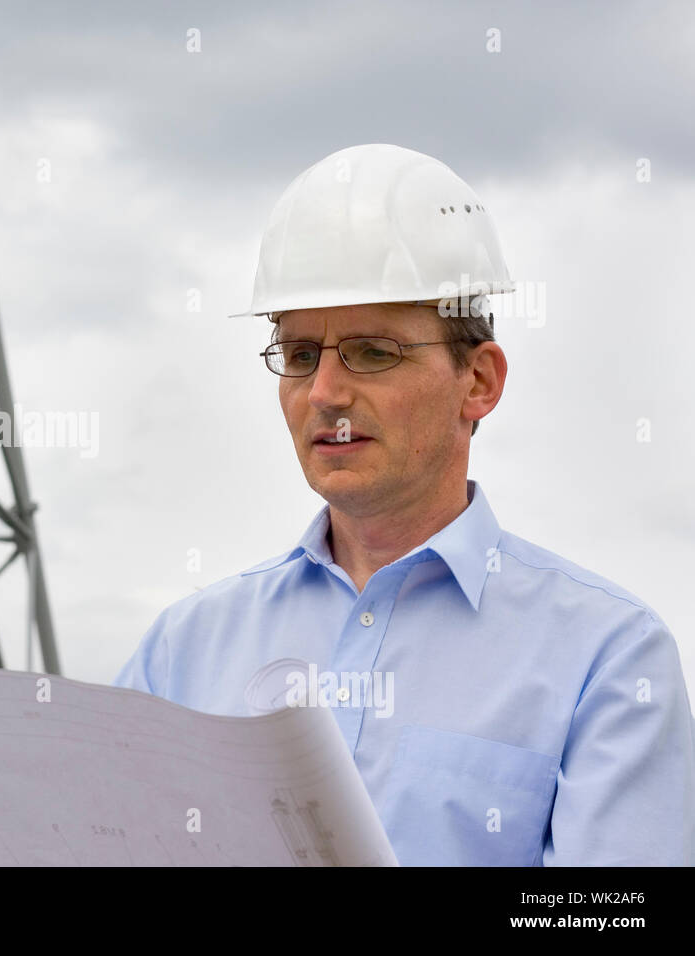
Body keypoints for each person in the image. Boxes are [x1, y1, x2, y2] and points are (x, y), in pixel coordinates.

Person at [113, 143, 695, 866]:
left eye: (372, 351)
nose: (324, 392)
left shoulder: (607, 659)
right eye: (299, 356)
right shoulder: (183, 650)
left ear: (477, 381)